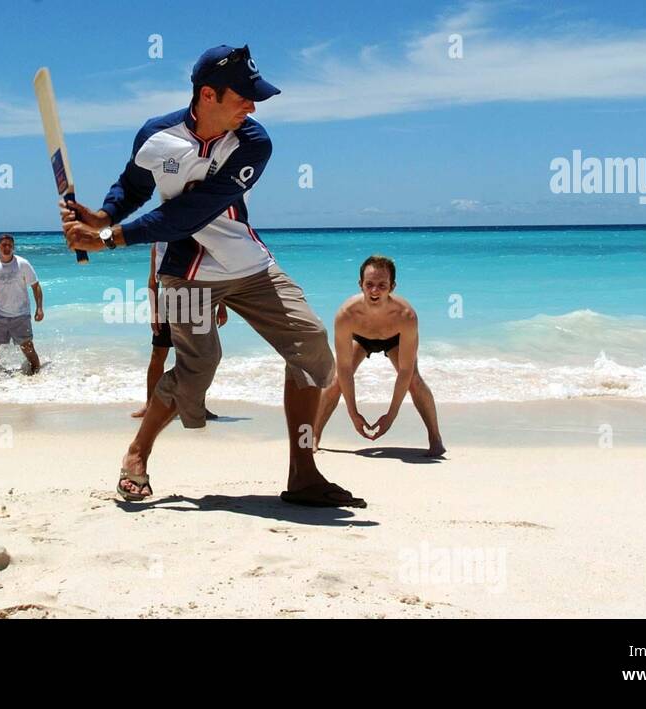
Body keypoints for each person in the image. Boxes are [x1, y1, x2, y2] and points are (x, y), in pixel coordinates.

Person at [63, 44, 360, 508]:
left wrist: (107, 239)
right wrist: (102, 214)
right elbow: (134, 185)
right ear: (207, 95)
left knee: (310, 344)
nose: (252, 105)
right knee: (196, 372)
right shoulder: (155, 135)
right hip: (184, 275)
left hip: (248, 265)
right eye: (242, 95)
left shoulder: (254, 143)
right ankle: (136, 455)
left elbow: (189, 213)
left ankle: (303, 474)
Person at [314, 255, 445, 456]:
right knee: (337, 380)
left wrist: (391, 416)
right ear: (361, 284)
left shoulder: (406, 316)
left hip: (394, 339)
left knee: (414, 381)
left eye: (382, 285)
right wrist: (353, 413)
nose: (375, 291)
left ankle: (435, 439)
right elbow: (345, 368)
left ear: (392, 286)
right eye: (370, 284)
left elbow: (405, 371)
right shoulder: (346, 314)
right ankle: (313, 437)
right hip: (361, 337)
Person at [133, 242, 226, 418]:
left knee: (196, 359)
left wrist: (222, 306)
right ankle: (150, 404)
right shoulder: (158, 244)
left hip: (199, 304)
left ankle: (196, 406)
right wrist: (154, 313)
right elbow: (153, 281)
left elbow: (216, 277)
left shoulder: (201, 240)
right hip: (167, 302)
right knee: (158, 354)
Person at [0, 234, 44, 373]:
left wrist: (39, 308)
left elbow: (35, 286)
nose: (7, 248)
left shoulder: (22, 263)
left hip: (21, 314)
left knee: (27, 347)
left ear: (13, 247)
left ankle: (37, 374)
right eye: (3, 245)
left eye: (9, 245)